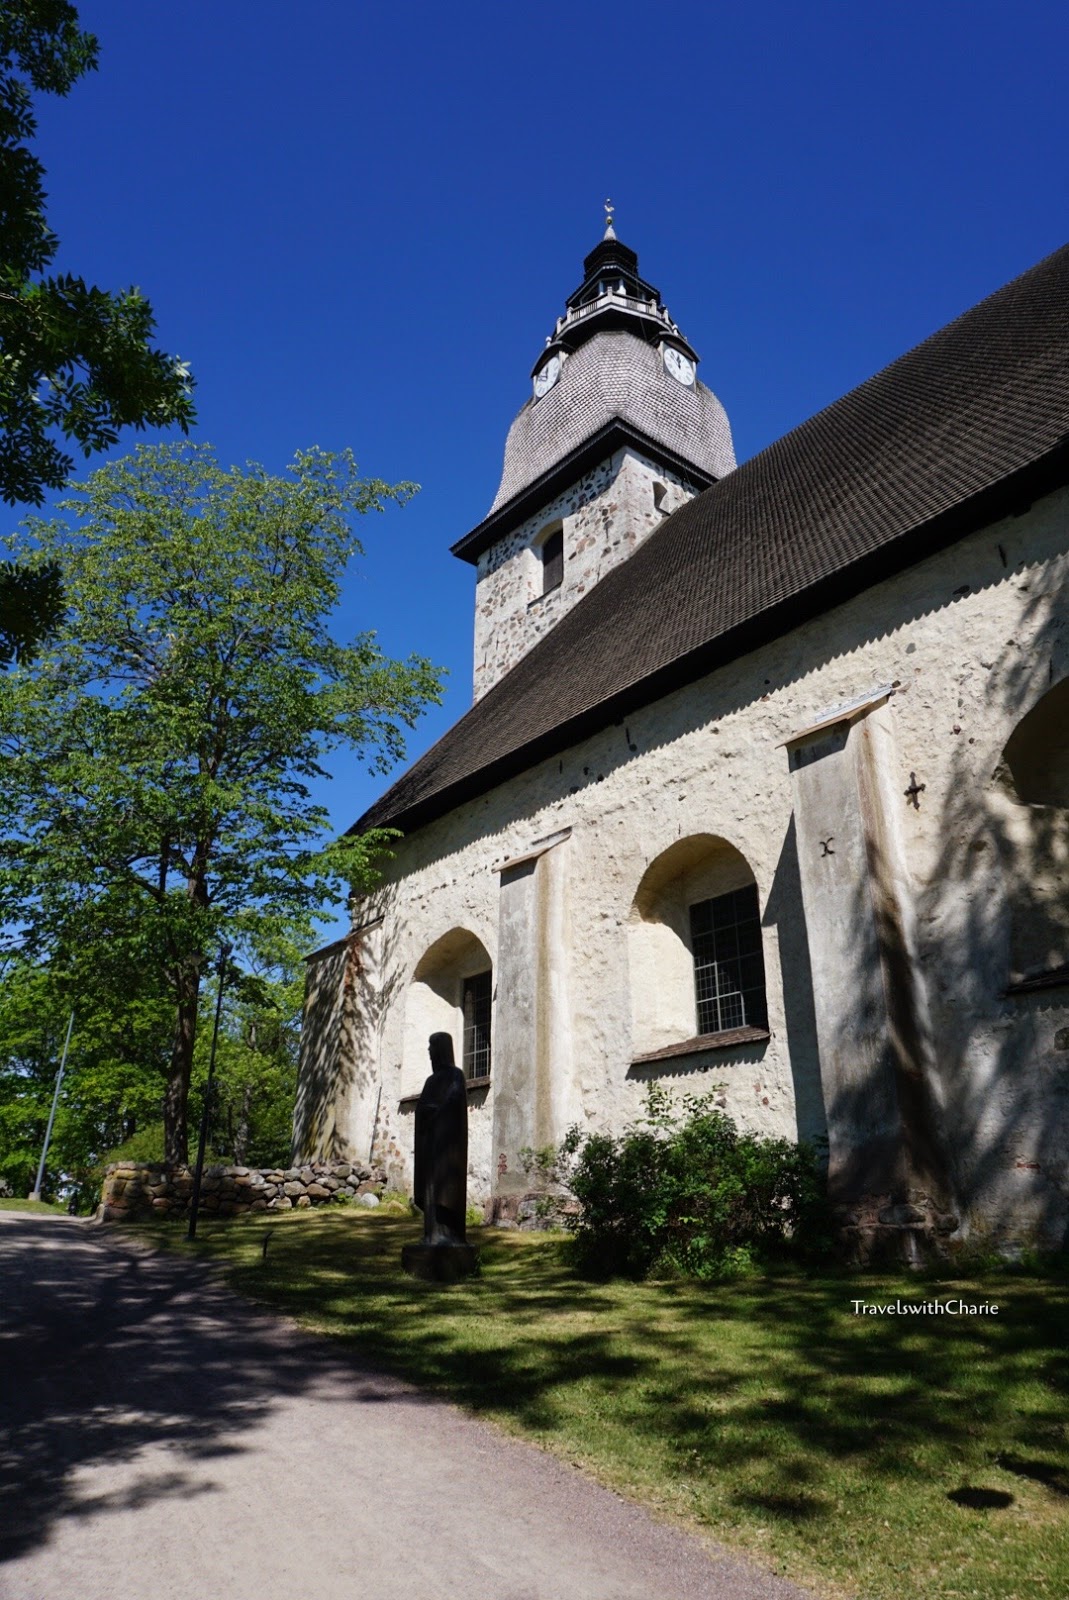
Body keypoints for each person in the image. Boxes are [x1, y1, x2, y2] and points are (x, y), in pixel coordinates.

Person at [412, 1032, 468, 1246]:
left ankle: (448, 1235)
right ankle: (431, 1235)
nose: (429, 1051)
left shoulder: (456, 1075)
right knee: (430, 1191)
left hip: (447, 1148)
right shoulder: (430, 1081)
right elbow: (420, 1107)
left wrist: (435, 1112)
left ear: (441, 1049)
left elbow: (454, 1101)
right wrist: (425, 1113)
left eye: (432, 1046)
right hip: (430, 1145)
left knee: (445, 1190)